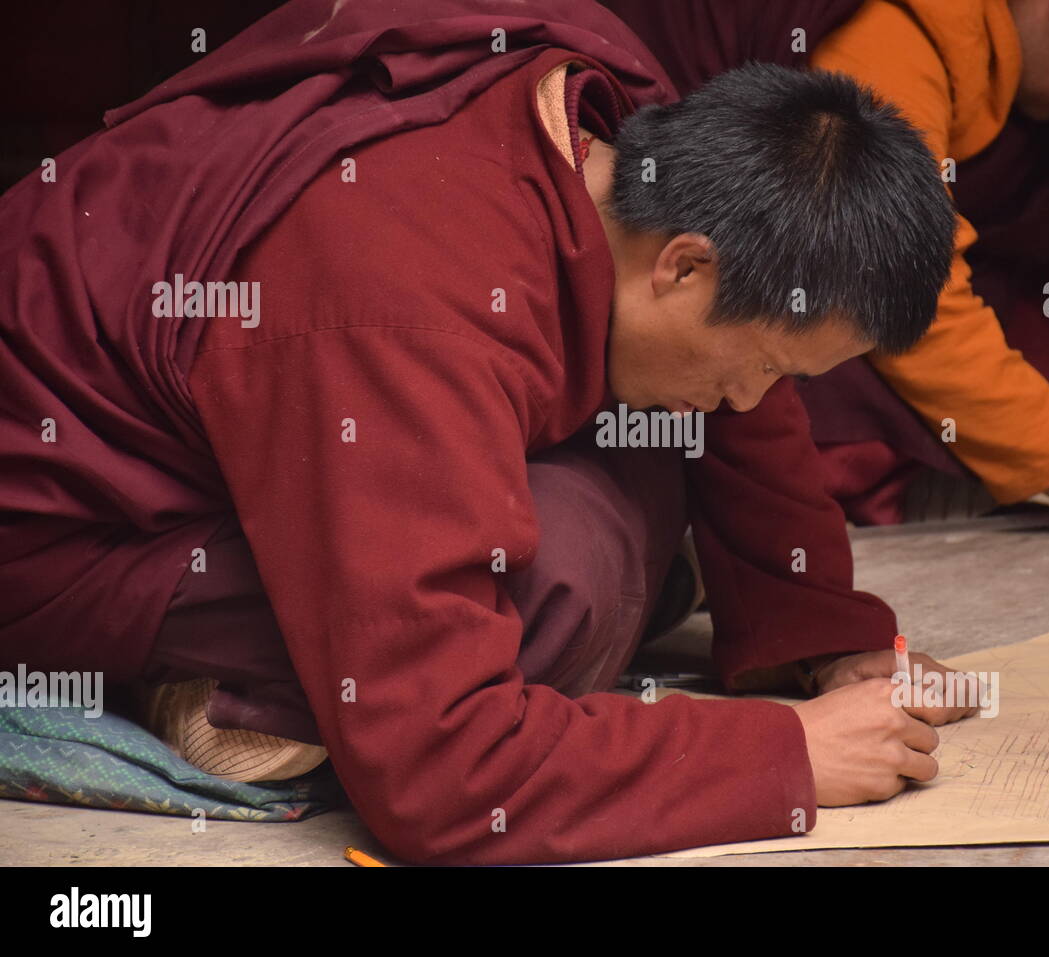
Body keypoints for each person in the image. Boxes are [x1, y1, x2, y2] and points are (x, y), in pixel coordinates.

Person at [0, 0, 968, 864]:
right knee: (561, 572)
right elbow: (447, 783)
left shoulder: (609, 118)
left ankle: (317, 652)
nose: (754, 400)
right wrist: (786, 754)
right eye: (763, 364)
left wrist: (825, 632)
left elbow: (750, 407)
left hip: (286, 402)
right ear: (681, 265)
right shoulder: (402, 301)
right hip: (66, 540)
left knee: (659, 453)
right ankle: (233, 698)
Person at [602, 0, 1049, 537]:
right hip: (695, 304)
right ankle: (880, 481)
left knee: (1022, 339)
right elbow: (896, 281)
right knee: (800, 363)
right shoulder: (895, 33)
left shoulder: (1046, 84)